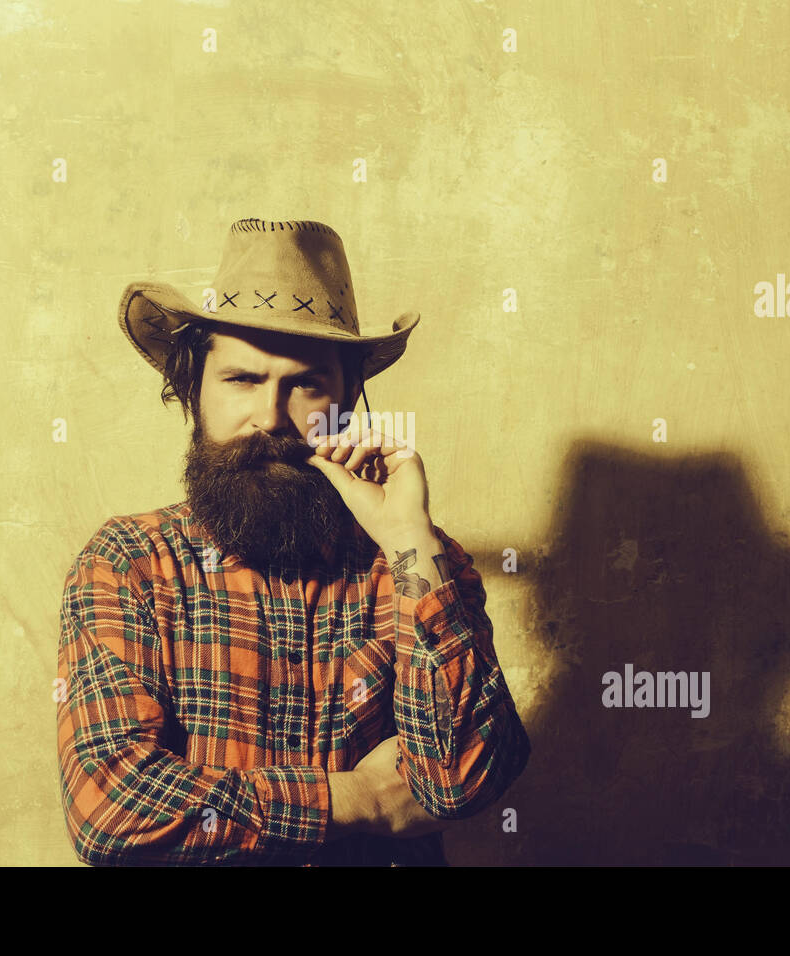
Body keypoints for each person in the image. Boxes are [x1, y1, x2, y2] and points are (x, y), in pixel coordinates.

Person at [56, 217, 530, 865]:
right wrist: (357, 796)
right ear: (194, 392)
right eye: (242, 380)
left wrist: (407, 538)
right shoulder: (131, 563)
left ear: (347, 399)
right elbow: (110, 811)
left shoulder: (418, 563)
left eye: (305, 383)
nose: (272, 417)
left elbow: (459, 782)